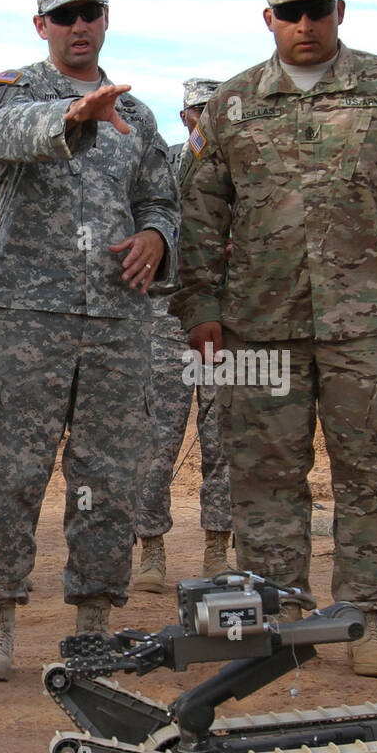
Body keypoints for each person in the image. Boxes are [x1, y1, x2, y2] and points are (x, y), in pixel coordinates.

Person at [170, 0, 377, 677]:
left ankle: (369, 620)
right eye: (290, 12)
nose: (304, 24)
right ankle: (279, 623)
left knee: (372, 475)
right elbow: (200, 215)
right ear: (268, 18)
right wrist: (199, 305)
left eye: (317, 10)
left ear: (340, 12)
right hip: (256, 322)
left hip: (366, 321)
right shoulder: (233, 103)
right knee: (262, 476)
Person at [0, 0, 179, 681]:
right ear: (41, 26)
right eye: (64, 15)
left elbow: (160, 198)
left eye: (90, 12)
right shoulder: (14, 94)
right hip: (29, 315)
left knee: (109, 474)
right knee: (10, 469)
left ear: (106, 19)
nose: (78, 25)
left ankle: (93, 621)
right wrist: (73, 116)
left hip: (118, 317)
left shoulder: (138, 116)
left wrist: (156, 236)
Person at [134, 76, 233, 592]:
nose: (208, 118)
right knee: (157, 440)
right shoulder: (166, 164)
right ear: (185, 117)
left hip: (226, 323)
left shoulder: (242, 170)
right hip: (168, 320)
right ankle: (151, 546)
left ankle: (218, 546)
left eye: (217, 109)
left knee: (224, 442)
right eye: (200, 110)